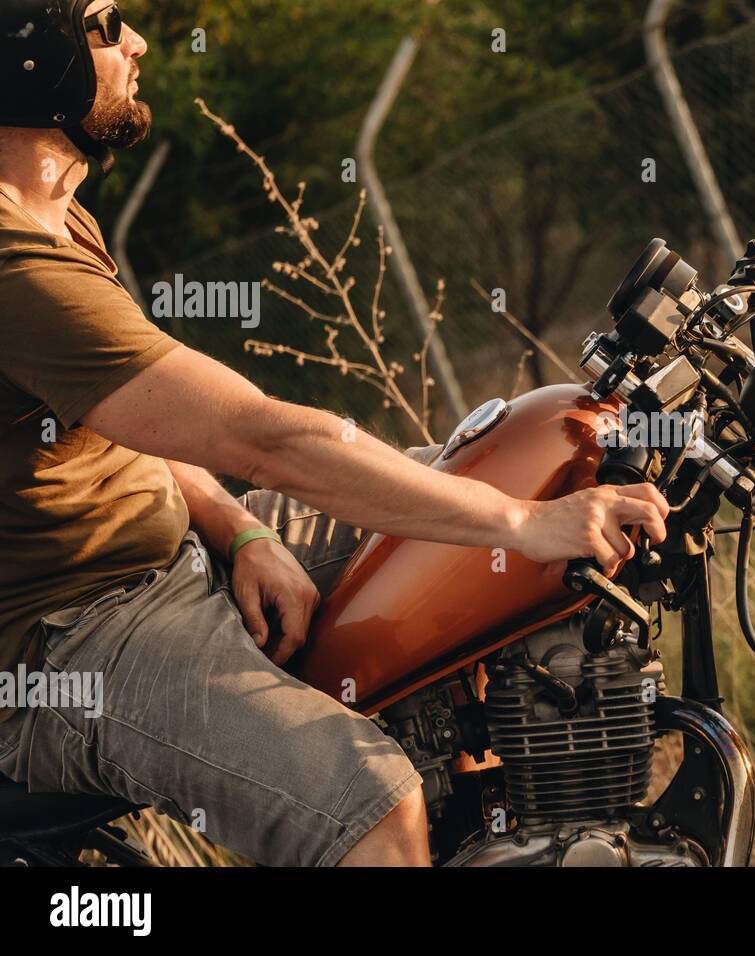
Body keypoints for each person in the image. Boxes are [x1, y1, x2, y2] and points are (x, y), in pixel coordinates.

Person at [0, 0, 669, 866]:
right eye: (103, 23)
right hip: (74, 640)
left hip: (171, 556)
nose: (134, 41)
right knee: (373, 806)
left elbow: (134, 423)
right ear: (27, 55)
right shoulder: (15, 265)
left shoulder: (60, 214)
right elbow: (261, 439)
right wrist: (519, 525)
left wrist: (237, 529)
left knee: (523, 486)